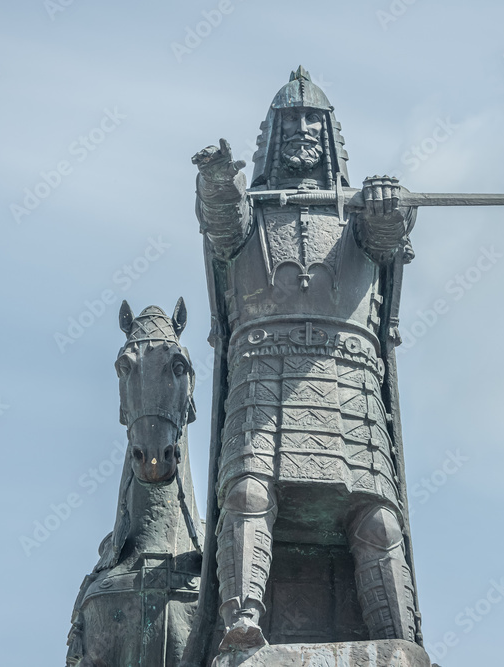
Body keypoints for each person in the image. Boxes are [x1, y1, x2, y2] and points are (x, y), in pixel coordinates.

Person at [188, 66, 421, 656]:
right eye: (289, 123)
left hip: (346, 382)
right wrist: (217, 180)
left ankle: (395, 637)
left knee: (376, 522)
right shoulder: (251, 215)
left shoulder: (356, 220)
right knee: (247, 496)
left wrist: (389, 200)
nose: (301, 132)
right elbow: (222, 222)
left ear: (331, 135)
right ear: (270, 136)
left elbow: (388, 237)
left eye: (311, 121)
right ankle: (243, 617)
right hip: (264, 374)